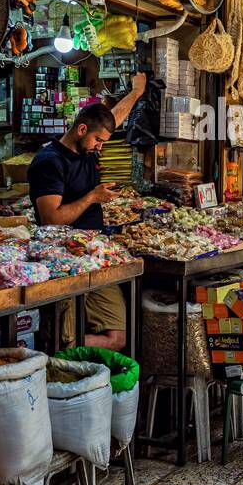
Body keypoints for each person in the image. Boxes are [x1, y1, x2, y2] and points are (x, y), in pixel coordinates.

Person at [28, 75, 146, 350]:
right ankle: (59, 355)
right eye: (98, 140)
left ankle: (70, 353)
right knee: (64, 337)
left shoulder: (89, 149)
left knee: (118, 337)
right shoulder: (50, 162)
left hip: (96, 255)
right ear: (81, 129)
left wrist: (136, 93)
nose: (100, 147)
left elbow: (112, 118)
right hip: (64, 260)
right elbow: (51, 219)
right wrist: (93, 196)